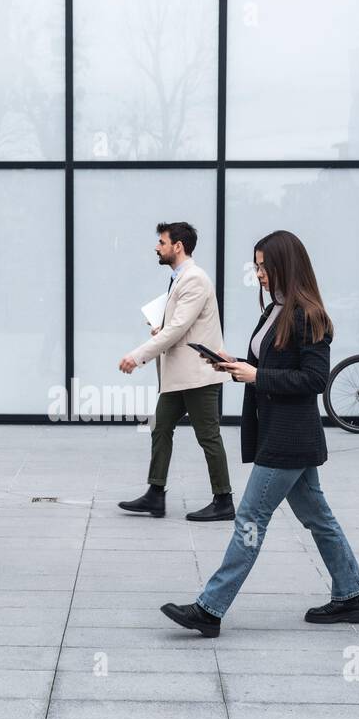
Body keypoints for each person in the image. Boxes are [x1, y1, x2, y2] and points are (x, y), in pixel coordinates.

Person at [159, 230, 359, 637]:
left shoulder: (308, 314)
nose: (258, 274)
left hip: (288, 438)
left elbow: (314, 380)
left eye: (263, 266)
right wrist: (233, 362)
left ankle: (210, 608)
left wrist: (257, 375)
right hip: (283, 434)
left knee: (251, 518)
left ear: (284, 265)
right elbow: (268, 365)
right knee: (319, 518)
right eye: (256, 266)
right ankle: (351, 595)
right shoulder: (275, 309)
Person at [118, 222, 235, 521]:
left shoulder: (194, 279)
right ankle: (155, 495)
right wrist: (161, 328)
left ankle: (224, 500)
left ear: (178, 246)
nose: (157, 247)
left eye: (161, 242)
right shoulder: (180, 278)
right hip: (180, 376)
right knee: (160, 428)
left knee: (208, 436)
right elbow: (180, 326)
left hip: (198, 376)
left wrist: (137, 356)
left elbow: (179, 329)